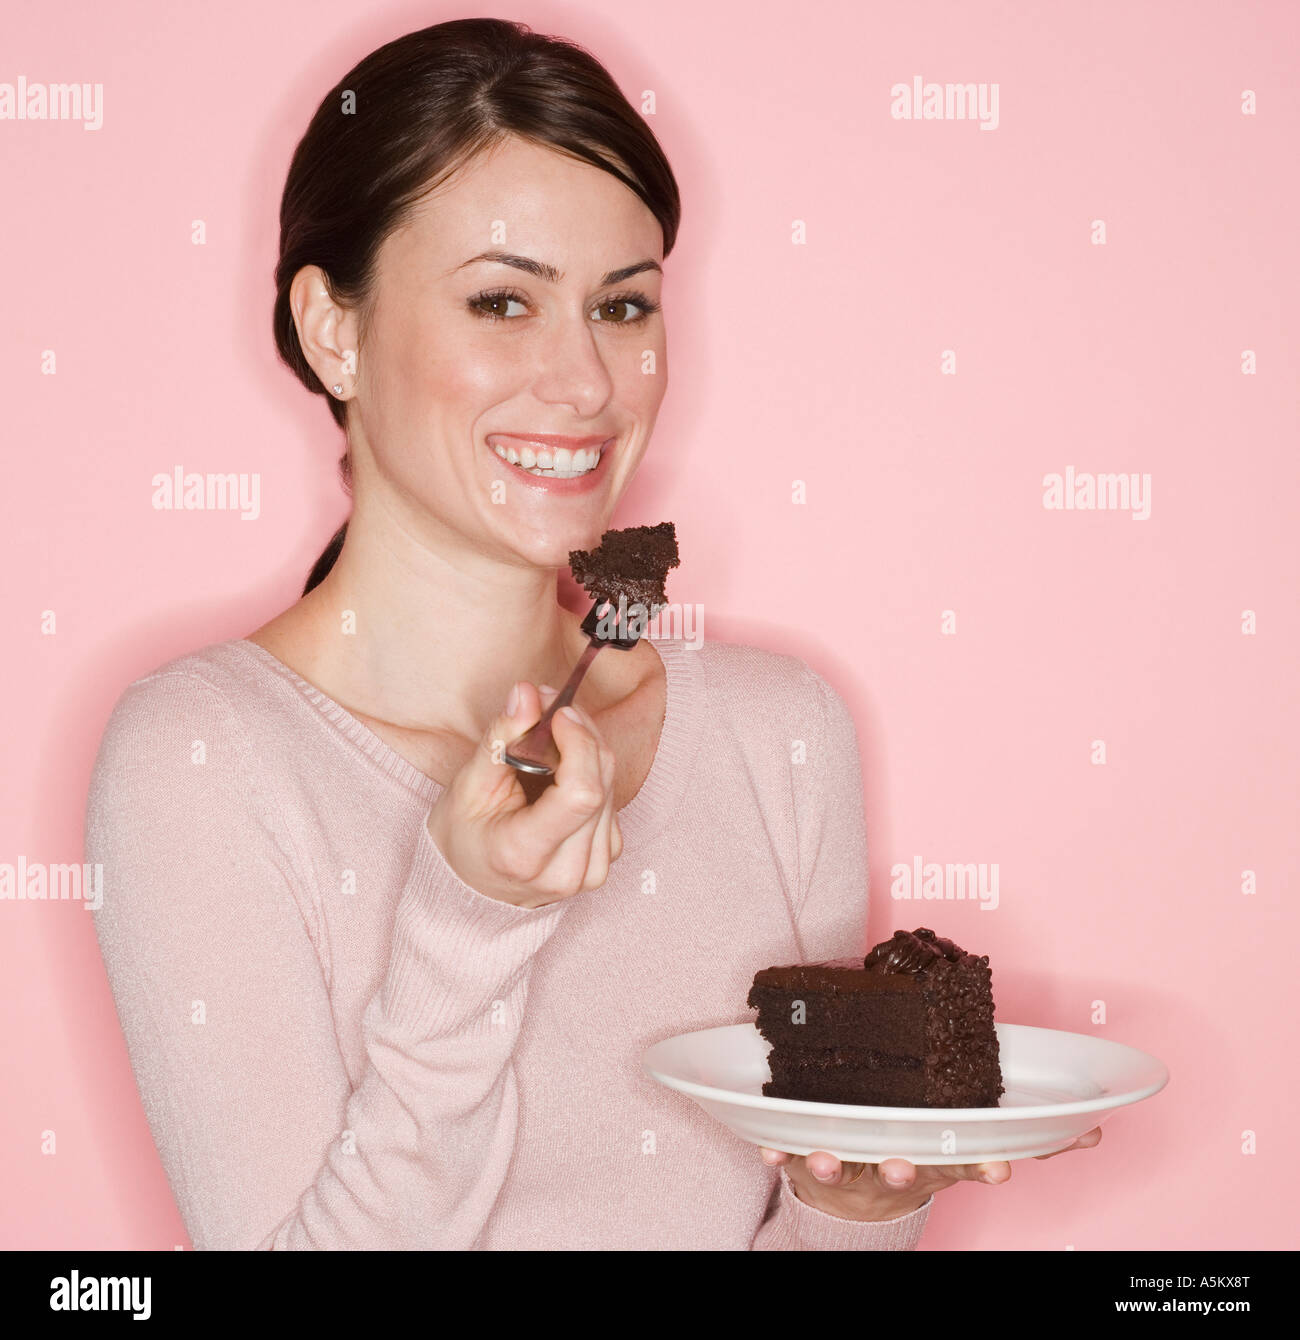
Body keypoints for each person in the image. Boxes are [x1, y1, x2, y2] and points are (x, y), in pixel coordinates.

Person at [86, 17, 1098, 1251]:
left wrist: (848, 1200)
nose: (585, 384)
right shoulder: (199, 761)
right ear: (332, 330)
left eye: (622, 307)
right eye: (503, 301)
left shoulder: (782, 731)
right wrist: (463, 915)